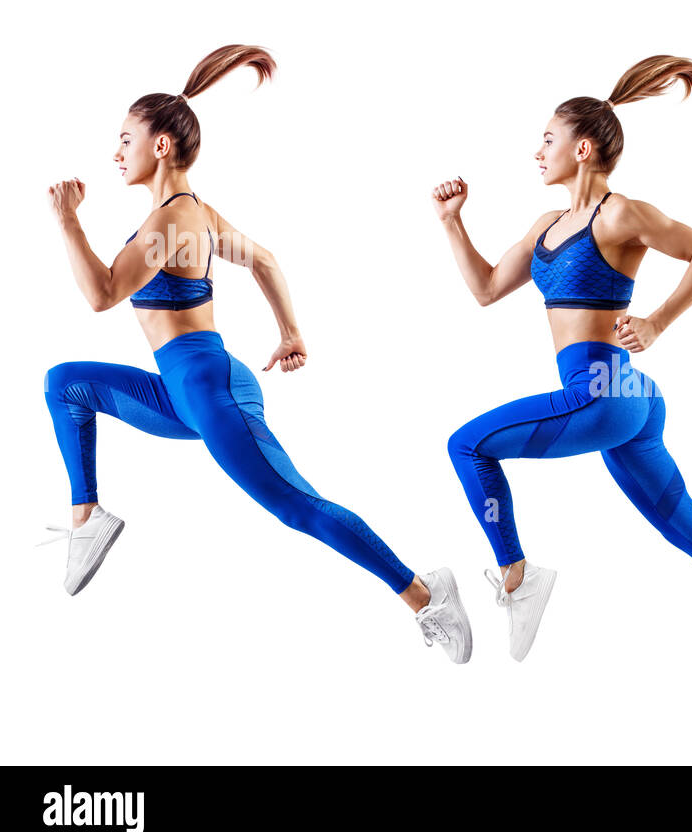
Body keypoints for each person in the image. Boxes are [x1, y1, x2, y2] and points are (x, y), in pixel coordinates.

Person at [41, 44, 471, 663]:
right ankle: (87, 516)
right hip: (185, 391)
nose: (116, 152)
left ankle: (427, 595)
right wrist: (290, 332)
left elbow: (102, 293)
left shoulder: (171, 224)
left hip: (210, 391)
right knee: (65, 383)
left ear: (161, 145)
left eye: (126, 139)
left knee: (300, 509)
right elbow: (264, 259)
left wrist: (67, 221)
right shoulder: (196, 214)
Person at [432, 55, 692, 711]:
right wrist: (452, 222)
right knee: (688, 528)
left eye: (547, 140)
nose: (536, 152)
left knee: (467, 446)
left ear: (582, 149)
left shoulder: (619, 216)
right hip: (629, 400)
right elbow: (489, 288)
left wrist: (660, 320)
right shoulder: (546, 228)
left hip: (604, 393)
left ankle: (517, 573)